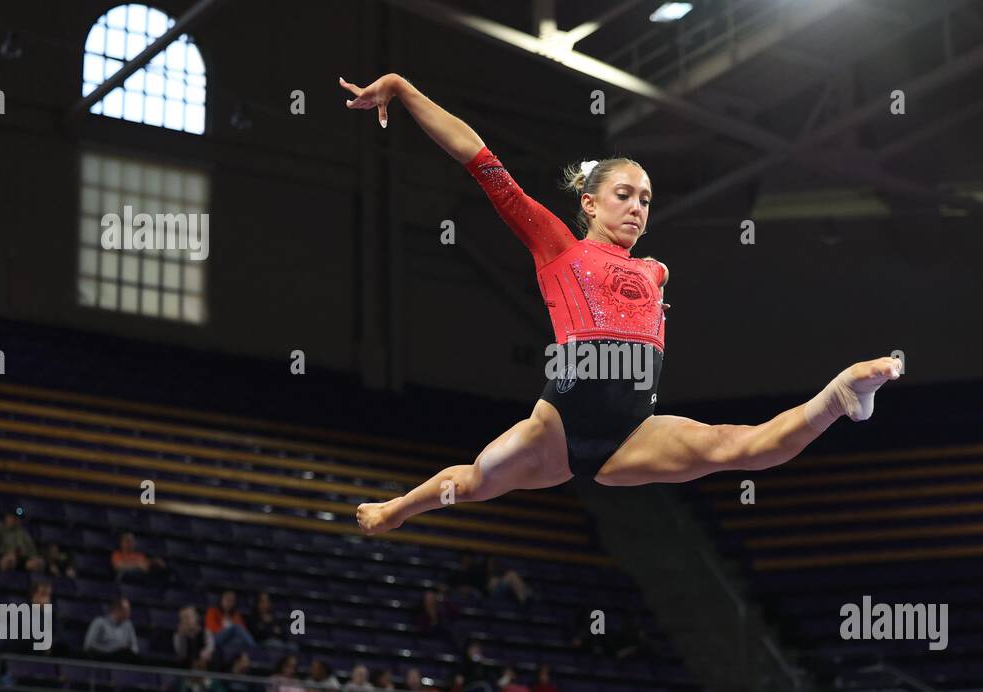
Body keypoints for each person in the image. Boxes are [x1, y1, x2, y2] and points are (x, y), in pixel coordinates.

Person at [344, 72, 902, 535]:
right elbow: (481, 161)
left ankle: (839, 395)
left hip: (631, 432)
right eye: (624, 195)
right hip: (559, 424)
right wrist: (402, 87)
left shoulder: (654, 271)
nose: (638, 208)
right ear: (589, 202)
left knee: (739, 446)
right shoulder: (557, 246)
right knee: (473, 483)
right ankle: (396, 510)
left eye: (646, 200)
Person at [0, 508, 43, 573]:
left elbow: (33, 552)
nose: (16, 519)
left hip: (21, 560)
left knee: (38, 563)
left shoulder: (23, 533)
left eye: (18, 518)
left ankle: (33, 582)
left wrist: (25, 553)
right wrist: (7, 551)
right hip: (0, 559)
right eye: (13, 517)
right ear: (7, 517)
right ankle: (3, 581)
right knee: (10, 559)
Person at [82, 597, 140, 663]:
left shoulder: (128, 625)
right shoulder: (99, 622)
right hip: (102, 658)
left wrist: (128, 651)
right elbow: (88, 645)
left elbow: (134, 648)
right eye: (127, 610)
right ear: (117, 610)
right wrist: (111, 650)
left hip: (121, 659)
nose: (129, 613)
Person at [205, 590, 257, 661]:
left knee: (239, 641)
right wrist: (227, 630)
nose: (229, 603)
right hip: (216, 638)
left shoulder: (236, 615)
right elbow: (211, 628)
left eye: (232, 601)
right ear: (222, 599)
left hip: (231, 641)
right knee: (236, 627)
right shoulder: (213, 611)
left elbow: (243, 631)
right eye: (227, 599)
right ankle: (254, 647)